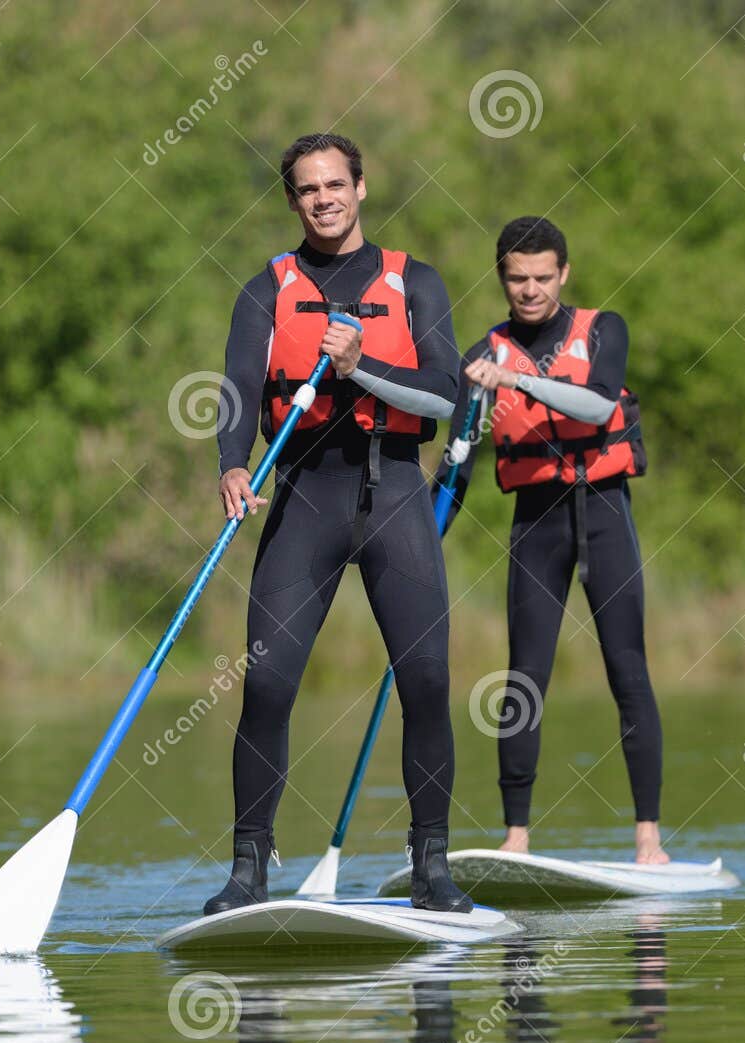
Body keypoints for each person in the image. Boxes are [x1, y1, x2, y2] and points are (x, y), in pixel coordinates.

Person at [207, 131, 472, 913]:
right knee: (268, 685)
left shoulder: (415, 283)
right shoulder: (266, 290)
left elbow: (445, 396)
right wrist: (229, 462)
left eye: (334, 184)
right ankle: (248, 872)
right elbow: (236, 390)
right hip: (303, 497)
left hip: (394, 495)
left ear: (361, 187)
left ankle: (432, 870)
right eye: (306, 189)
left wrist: (363, 368)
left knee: (426, 684)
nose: (323, 199)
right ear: (293, 200)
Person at [443, 215, 666, 862]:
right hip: (536, 524)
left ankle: (648, 837)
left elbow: (599, 407)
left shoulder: (603, 330)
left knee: (628, 671)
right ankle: (516, 837)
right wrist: (426, 536)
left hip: (605, 512)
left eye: (543, 277)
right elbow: (458, 459)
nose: (531, 290)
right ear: (502, 279)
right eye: (518, 279)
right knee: (524, 679)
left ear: (563, 274)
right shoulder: (482, 354)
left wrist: (512, 381)